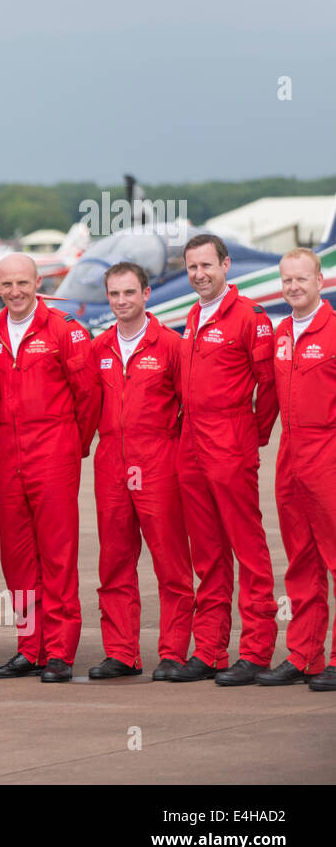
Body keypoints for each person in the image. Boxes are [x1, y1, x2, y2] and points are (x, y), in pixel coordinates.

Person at [0, 254, 101, 683]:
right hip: (8, 451)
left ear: (38, 284)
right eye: (7, 284)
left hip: (53, 449)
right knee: (17, 557)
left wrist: (74, 445)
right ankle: (29, 646)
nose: (15, 292)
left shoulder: (64, 331)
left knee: (57, 554)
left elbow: (88, 395)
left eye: (23, 283)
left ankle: (59, 651)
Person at [173, 233, 278, 686]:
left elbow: (269, 386)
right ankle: (211, 650)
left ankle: (255, 651)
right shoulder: (193, 316)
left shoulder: (249, 317)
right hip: (192, 446)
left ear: (226, 265)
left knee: (248, 550)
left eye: (206, 266)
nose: (199, 274)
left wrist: (248, 438)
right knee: (208, 554)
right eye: (192, 267)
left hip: (230, 442)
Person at [88, 262, 195, 681]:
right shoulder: (98, 349)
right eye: (114, 294)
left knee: (170, 561)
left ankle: (173, 652)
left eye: (129, 293)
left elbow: (191, 406)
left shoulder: (171, 345)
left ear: (146, 294)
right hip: (111, 461)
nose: (120, 302)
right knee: (113, 562)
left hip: (158, 461)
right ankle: (121, 652)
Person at [259, 249, 336, 691]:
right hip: (291, 454)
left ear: (319, 281)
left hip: (328, 451)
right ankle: (304, 655)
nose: (293, 287)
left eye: (301, 279)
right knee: (301, 561)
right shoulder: (282, 332)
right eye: (286, 280)